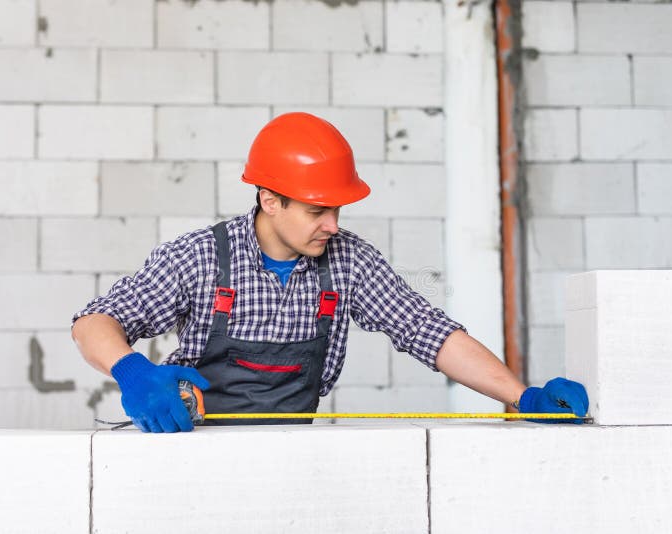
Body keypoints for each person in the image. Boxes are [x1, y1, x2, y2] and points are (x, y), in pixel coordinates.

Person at [71, 112, 588, 433]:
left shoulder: (348, 261)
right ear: (270, 200)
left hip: (295, 460)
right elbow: (94, 322)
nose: (333, 225)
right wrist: (132, 372)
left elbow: (428, 332)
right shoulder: (200, 258)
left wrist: (521, 397)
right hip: (192, 456)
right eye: (317, 211)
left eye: (337, 209)